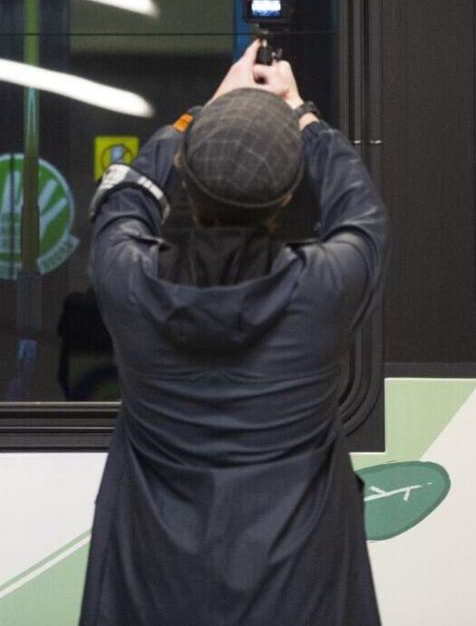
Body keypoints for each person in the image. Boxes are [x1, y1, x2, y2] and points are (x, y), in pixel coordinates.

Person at [80, 39, 389, 625]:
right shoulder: (323, 290)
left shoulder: (127, 281)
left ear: (186, 187)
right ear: (287, 196)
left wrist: (199, 116)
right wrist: (303, 117)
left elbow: (123, 199)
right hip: (299, 599)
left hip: (153, 596)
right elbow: (363, 215)